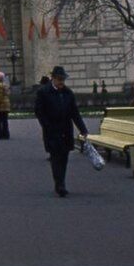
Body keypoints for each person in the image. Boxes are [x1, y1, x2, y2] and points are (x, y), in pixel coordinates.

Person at [34, 65, 88, 196]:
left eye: (63, 80)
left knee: (64, 157)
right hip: (52, 130)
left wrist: (83, 129)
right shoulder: (43, 92)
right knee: (55, 157)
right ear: (53, 79)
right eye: (59, 80)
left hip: (65, 129)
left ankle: (61, 180)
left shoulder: (68, 93)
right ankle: (59, 184)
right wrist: (46, 126)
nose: (61, 82)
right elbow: (39, 112)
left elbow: (74, 113)